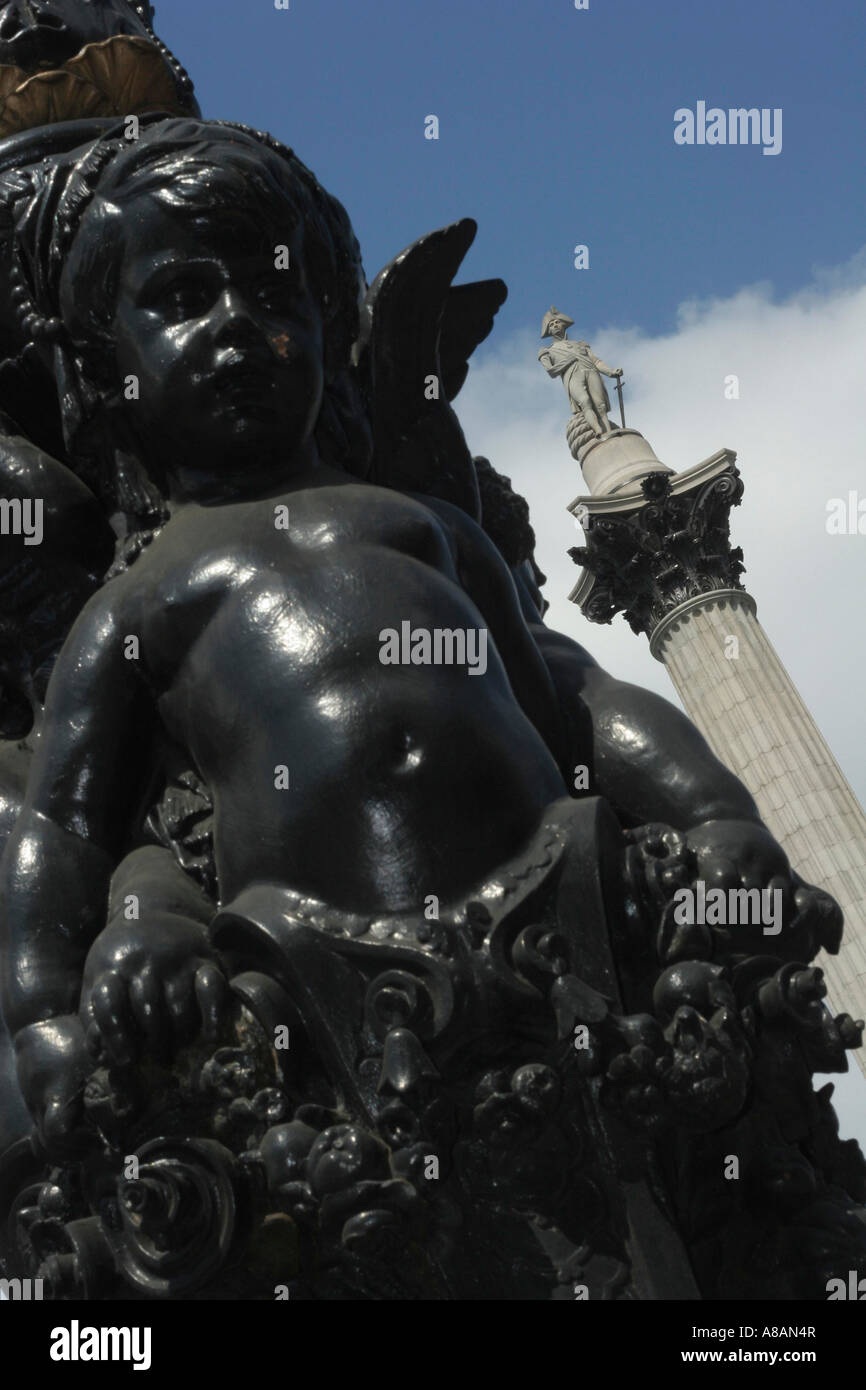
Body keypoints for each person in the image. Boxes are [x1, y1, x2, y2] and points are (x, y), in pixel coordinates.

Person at [0, 121, 815, 1153]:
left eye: (274, 292)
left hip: (560, 902)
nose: (237, 325)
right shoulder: (140, 597)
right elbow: (71, 824)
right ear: (101, 366)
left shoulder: (422, 527)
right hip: (313, 958)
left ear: (330, 328)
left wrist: (710, 814)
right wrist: (43, 1016)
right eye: (180, 298)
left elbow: (576, 697)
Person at [538, 306, 623, 438]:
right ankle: (598, 431)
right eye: (551, 324)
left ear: (563, 325)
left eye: (557, 322)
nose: (555, 325)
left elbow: (596, 361)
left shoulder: (580, 344)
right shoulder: (548, 351)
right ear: (548, 330)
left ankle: (608, 431)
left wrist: (611, 372)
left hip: (590, 370)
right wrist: (568, 360)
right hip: (572, 376)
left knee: (600, 405)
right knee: (585, 401)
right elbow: (551, 371)